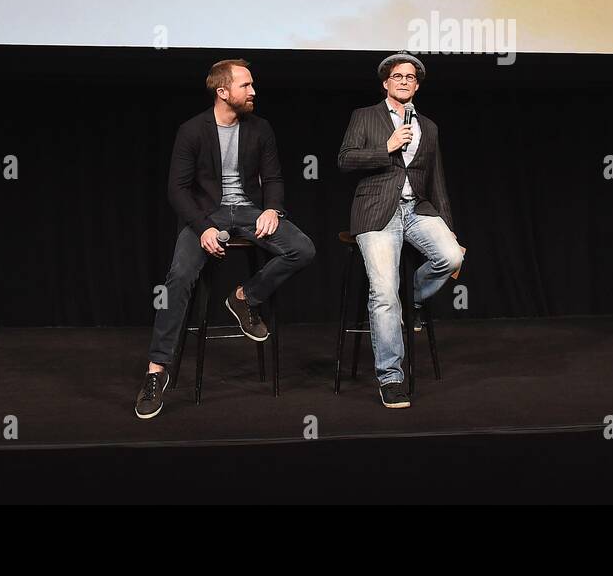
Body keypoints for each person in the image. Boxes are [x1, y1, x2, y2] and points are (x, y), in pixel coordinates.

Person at [135, 59, 316, 419]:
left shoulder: (260, 128)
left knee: (302, 249)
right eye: (246, 85)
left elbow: (275, 178)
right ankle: (156, 372)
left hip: (249, 211)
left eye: (252, 85)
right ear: (223, 92)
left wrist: (272, 209)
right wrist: (202, 228)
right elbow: (177, 190)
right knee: (179, 278)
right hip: (206, 214)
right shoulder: (192, 130)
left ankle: (244, 298)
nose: (253, 91)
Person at [337, 53, 463, 408]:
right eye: (398, 76)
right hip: (377, 211)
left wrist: (449, 228)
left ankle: (416, 298)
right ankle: (391, 377)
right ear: (386, 83)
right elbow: (345, 159)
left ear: (417, 85)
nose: (404, 81)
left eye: (411, 77)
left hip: (416, 209)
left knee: (451, 256)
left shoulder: (430, 127)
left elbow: (437, 182)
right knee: (383, 292)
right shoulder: (365, 116)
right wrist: (386, 147)